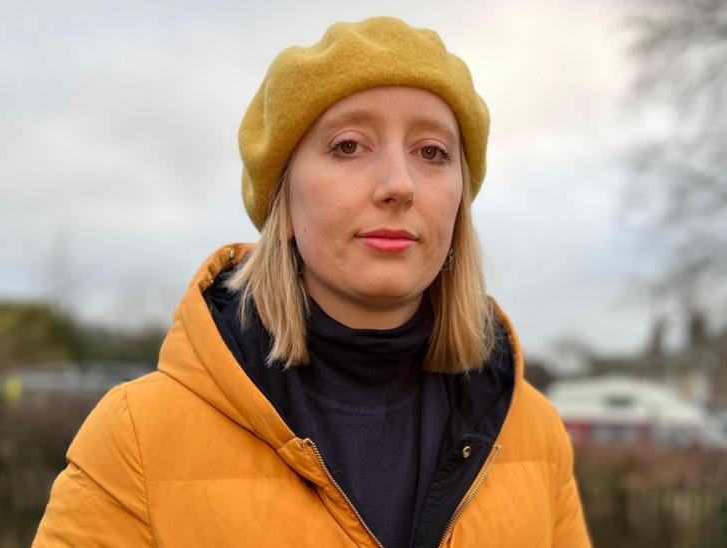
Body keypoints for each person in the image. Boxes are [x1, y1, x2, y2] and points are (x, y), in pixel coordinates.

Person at [33, 16, 590, 548]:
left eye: (432, 152)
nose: (399, 184)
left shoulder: (534, 433)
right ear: (283, 193)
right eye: (349, 145)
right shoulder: (136, 438)